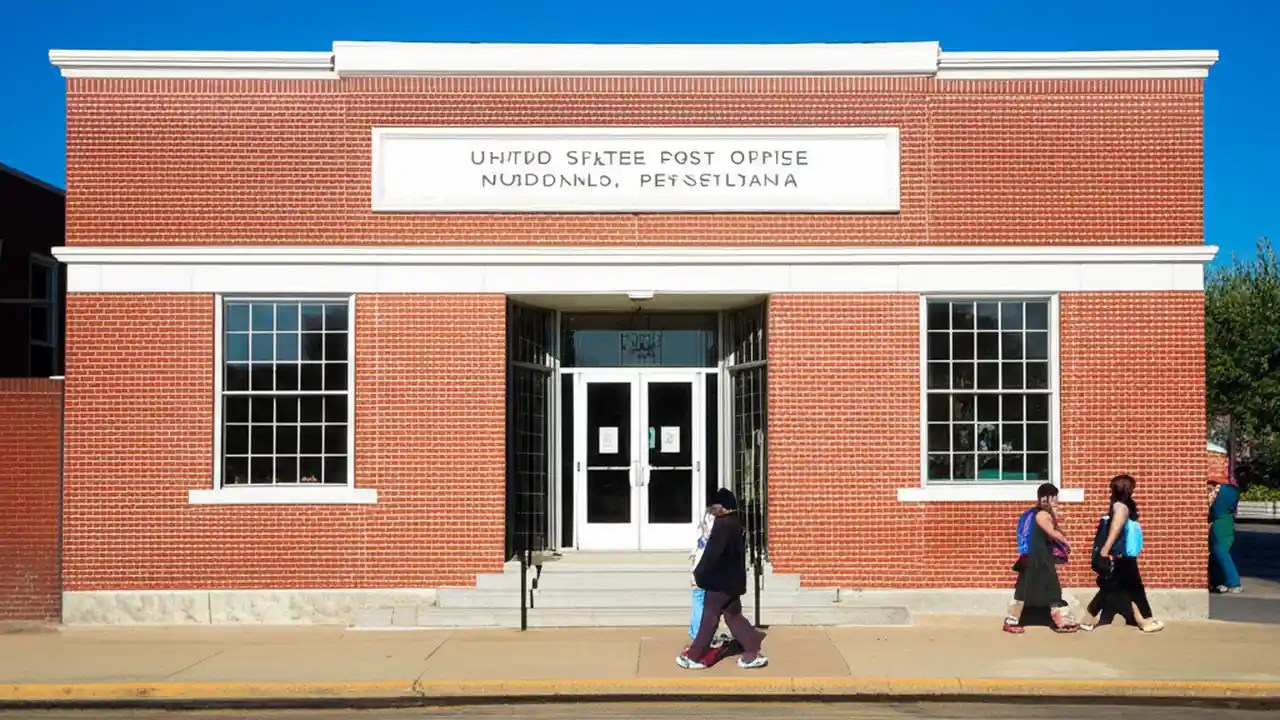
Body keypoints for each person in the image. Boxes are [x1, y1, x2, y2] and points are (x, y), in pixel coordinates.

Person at [677, 487, 768, 670]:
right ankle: (751, 652)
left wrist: (699, 574)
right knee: (733, 616)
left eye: (716, 506)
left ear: (723, 507)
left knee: (709, 618)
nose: (713, 509)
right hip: (733, 581)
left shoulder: (722, 525)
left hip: (720, 582)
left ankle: (696, 655)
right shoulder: (735, 523)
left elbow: (712, 555)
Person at [1081, 474, 1165, 633]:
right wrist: (1105, 551)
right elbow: (1115, 529)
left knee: (1113, 587)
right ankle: (1146, 620)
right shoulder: (1121, 507)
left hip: (1121, 555)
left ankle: (1089, 619)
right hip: (1121, 556)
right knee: (1135, 589)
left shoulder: (1120, 506)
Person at [1003, 483, 1077, 633]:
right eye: (1054, 497)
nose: (1056, 500)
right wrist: (1065, 540)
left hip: (1030, 557)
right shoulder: (1043, 514)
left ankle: (1012, 620)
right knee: (1052, 589)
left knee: (1023, 591)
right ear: (1048, 497)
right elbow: (1051, 532)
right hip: (1040, 558)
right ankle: (1062, 621)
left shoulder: (1031, 513)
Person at [686, 503, 732, 650]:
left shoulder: (702, 530)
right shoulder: (717, 533)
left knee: (698, 601)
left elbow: (695, 549)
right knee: (703, 603)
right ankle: (701, 635)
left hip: (696, 570)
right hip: (705, 573)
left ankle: (696, 633)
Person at [1209, 472, 1242, 594]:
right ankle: (1222, 581)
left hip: (1221, 524)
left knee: (1221, 553)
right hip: (1224, 523)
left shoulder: (1223, 494)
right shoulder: (1231, 491)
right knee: (1218, 553)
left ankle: (1233, 582)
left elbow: (1216, 511)